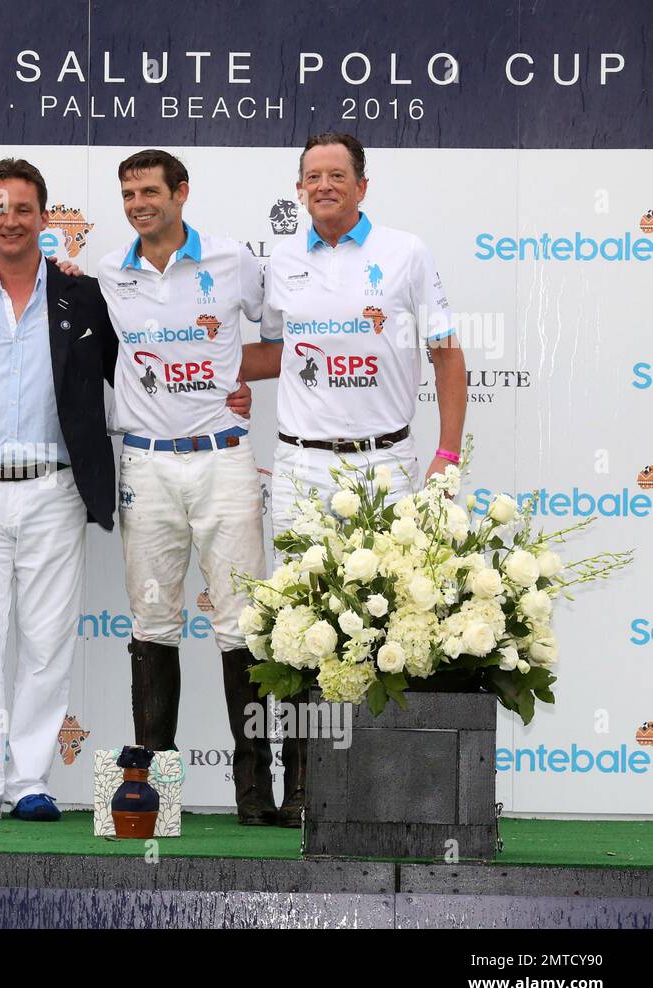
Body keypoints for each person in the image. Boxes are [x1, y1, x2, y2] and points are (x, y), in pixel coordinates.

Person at [242, 131, 467, 826]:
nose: (324, 186)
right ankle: (308, 790)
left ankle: (378, 788)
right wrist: (181, 361)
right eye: (312, 177)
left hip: (384, 463)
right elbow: (274, 353)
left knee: (387, 614)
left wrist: (448, 453)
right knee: (301, 622)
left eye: (337, 175)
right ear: (300, 189)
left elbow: (447, 355)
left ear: (362, 186)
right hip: (302, 462)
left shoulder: (406, 253)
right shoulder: (281, 259)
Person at [0, 157, 120, 821]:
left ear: (43, 218)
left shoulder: (83, 296)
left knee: (45, 640)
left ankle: (31, 779)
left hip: (56, 489)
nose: (10, 221)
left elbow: (138, 369)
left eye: (23, 209)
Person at [97, 149, 273, 825]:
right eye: (129, 194)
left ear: (182, 193)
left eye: (150, 191)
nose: (139, 203)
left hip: (224, 460)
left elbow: (285, 342)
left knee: (241, 625)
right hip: (145, 464)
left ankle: (254, 792)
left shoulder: (234, 262)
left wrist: (234, 375)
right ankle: (156, 792)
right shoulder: (110, 273)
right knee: (152, 622)